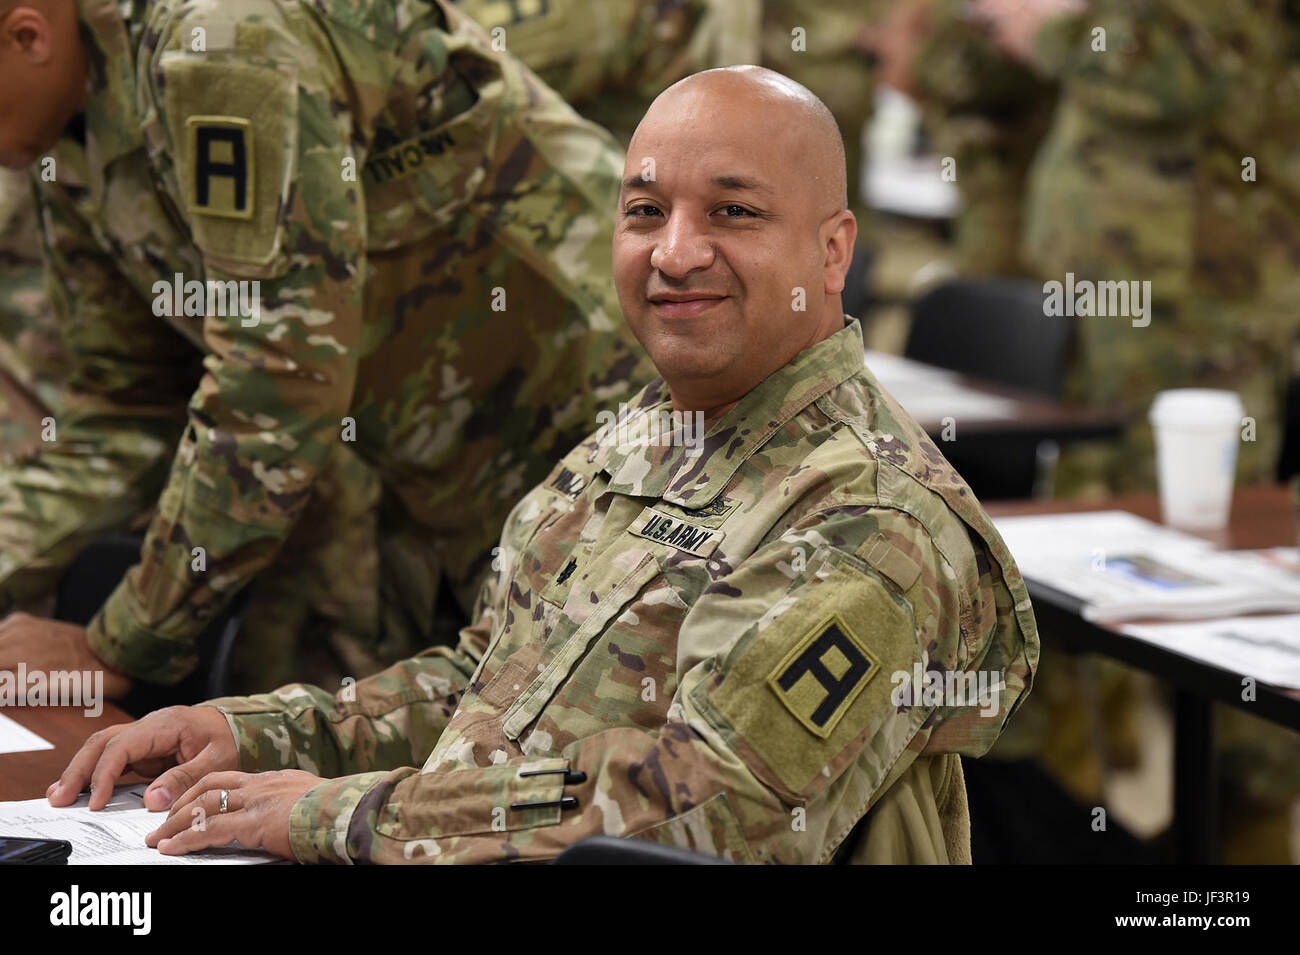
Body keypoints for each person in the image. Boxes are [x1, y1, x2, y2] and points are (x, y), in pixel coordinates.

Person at [49, 66, 1039, 864]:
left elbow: (708, 806)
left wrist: (343, 814)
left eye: (732, 213)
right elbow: (486, 681)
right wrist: (264, 732)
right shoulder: (647, 432)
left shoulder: (868, 514)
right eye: (645, 211)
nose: (674, 252)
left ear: (831, 253)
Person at [0, 0, 651, 697]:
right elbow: (126, 405)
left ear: (28, 35)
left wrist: (123, 640)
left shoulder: (224, 41)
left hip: (609, 438)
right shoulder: (61, 125)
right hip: (432, 476)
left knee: (596, 758)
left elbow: (278, 375)